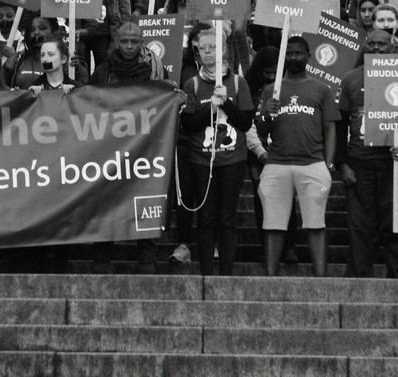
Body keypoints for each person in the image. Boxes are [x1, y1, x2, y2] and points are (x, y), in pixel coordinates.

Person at [254, 36, 338, 276]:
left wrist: (329, 163)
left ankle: (320, 279)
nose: (293, 57)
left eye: (298, 53)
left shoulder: (321, 89)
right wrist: (267, 114)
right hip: (277, 162)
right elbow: (261, 130)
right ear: (283, 57)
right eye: (289, 53)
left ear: (308, 56)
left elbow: (330, 127)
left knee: (316, 223)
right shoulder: (272, 89)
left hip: (313, 162)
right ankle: (271, 278)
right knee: (272, 224)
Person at [176, 23, 253, 275]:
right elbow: (186, 125)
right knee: (206, 217)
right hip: (201, 159)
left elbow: (245, 123)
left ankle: (226, 275)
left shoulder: (239, 83)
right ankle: (207, 274)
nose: (207, 52)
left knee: (226, 218)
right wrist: (209, 109)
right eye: (203, 49)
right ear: (197, 54)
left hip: (232, 160)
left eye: (213, 48)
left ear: (223, 51)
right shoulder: (192, 85)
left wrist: (227, 104)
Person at [337, 28, 398, 278]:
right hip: (359, 162)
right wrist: (342, 163)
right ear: (365, 47)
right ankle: (358, 280)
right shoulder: (350, 79)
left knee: (395, 224)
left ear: (393, 48)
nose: (377, 48)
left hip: (393, 163)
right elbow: (340, 124)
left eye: (383, 44)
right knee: (359, 227)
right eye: (372, 44)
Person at [89, 21, 161, 86]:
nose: (129, 46)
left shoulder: (153, 69)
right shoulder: (103, 72)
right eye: (124, 42)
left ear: (141, 43)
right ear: (117, 43)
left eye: (134, 42)